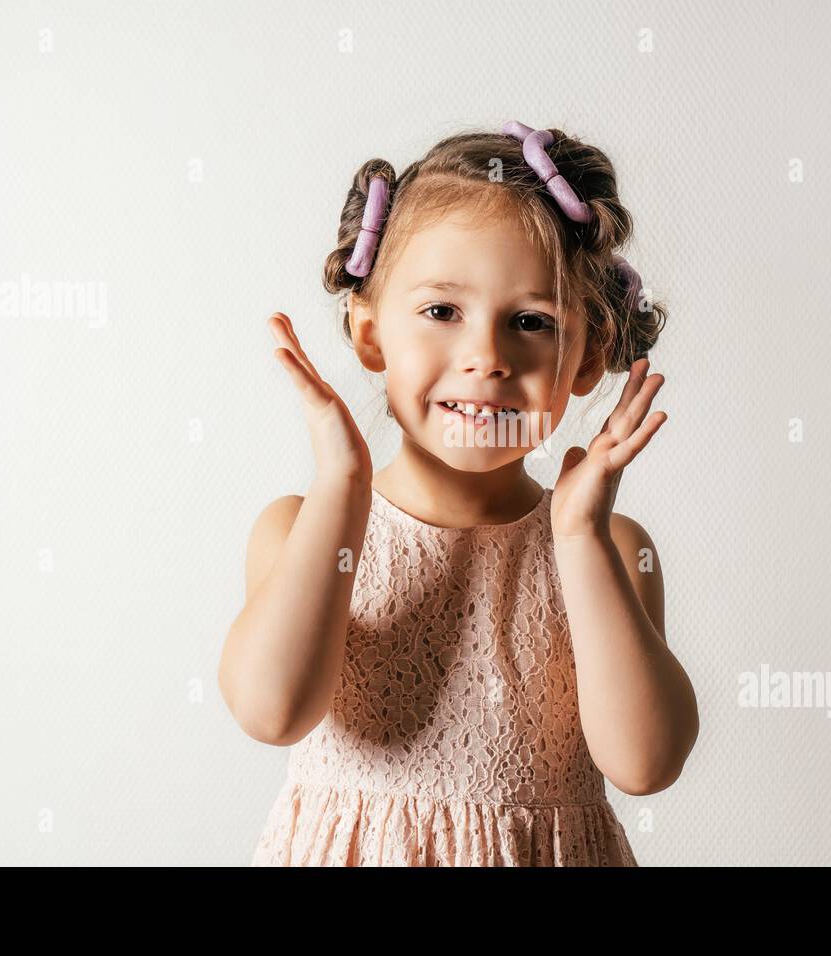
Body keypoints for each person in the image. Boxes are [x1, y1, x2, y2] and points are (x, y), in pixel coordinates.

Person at [220, 119, 699, 865]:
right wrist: (342, 490)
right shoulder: (300, 528)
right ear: (371, 332)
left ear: (588, 356)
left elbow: (645, 763)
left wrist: (580, 540)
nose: (486, 357)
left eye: (532, 322)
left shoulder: (612, 549)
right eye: (442, 311)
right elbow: (270, 710)